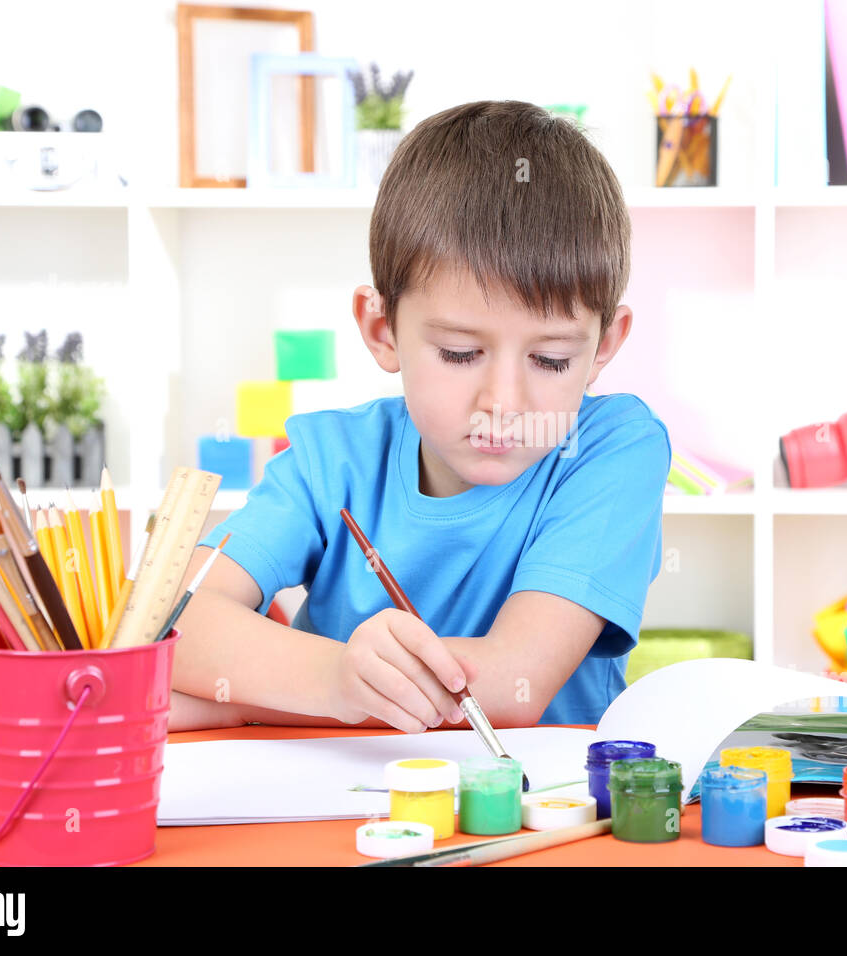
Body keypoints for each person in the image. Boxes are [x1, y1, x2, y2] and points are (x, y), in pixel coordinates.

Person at [169, 100, 671, 732]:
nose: (504, 403)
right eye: (460, 353)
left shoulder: (614, 447)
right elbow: (175, 620)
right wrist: (332, 679)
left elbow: (513, 685)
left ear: (604, 345)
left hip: (537, 793)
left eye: (550, 359)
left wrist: (249, 701)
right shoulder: (331, 457)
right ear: (382, 329)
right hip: (341, 793)